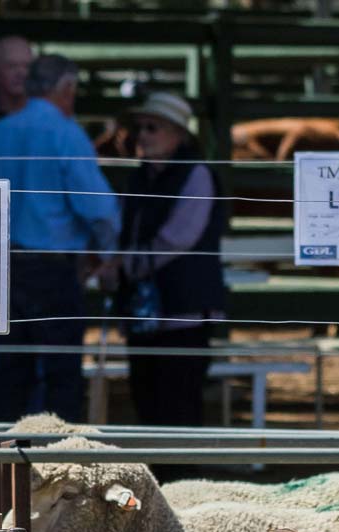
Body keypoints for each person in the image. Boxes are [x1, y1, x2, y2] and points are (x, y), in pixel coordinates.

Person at [0, 54, 119, 423]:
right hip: (53, 265)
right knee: (60, 372)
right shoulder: (66, 134)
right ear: (66, 89)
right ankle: (55, 456)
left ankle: (5, 461)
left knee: (8, 372)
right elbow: (97, 206)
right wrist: (106, 252)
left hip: (3, 265)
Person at [113, 91, 226, 427]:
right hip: (143, 314)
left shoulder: (196, 175)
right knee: (145, 400)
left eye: (153, 128)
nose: (143, 135)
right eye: (140, 128)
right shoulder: (138, 178)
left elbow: (178, 237)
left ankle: (183, 476)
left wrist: (123, 265)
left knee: (179, 405)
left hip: (184, 313)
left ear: (177, 134)